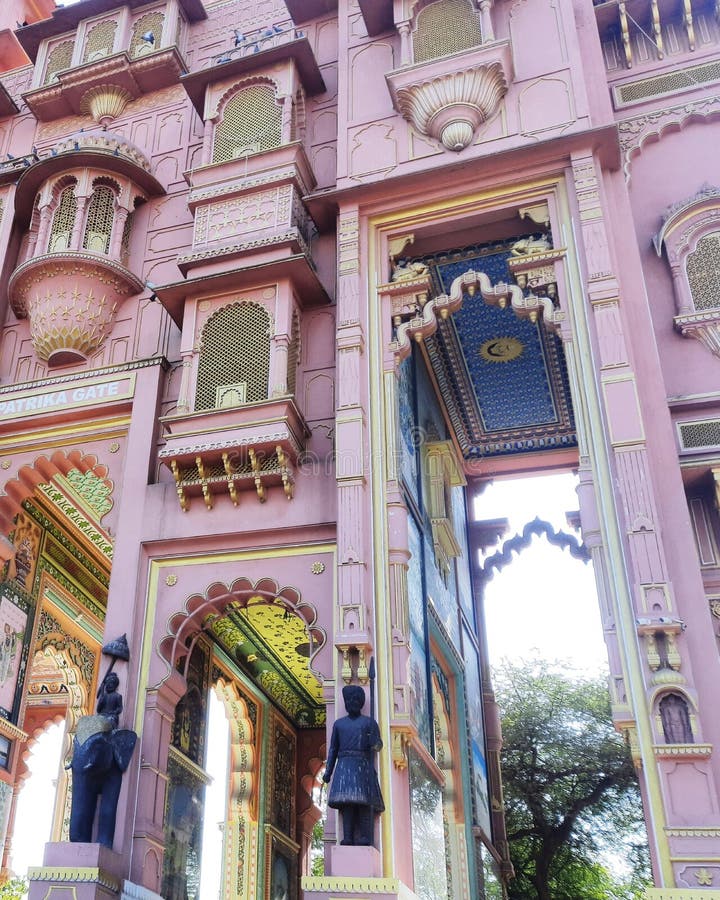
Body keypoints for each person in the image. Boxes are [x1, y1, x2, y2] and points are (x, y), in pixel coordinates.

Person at [323, 685, 384, 846]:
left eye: (355, 699)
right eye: (349, 700)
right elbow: (333, 749)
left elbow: (378, 745)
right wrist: (328, 772)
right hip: (344, 765)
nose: (352, 702)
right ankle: (348, 836)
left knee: (364, 802)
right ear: (345, 702)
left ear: (361, 702)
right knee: (347, 803)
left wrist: (373, 742)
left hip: (362, 765)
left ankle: (366, 836)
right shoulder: (339, 725)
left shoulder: (369, 723)